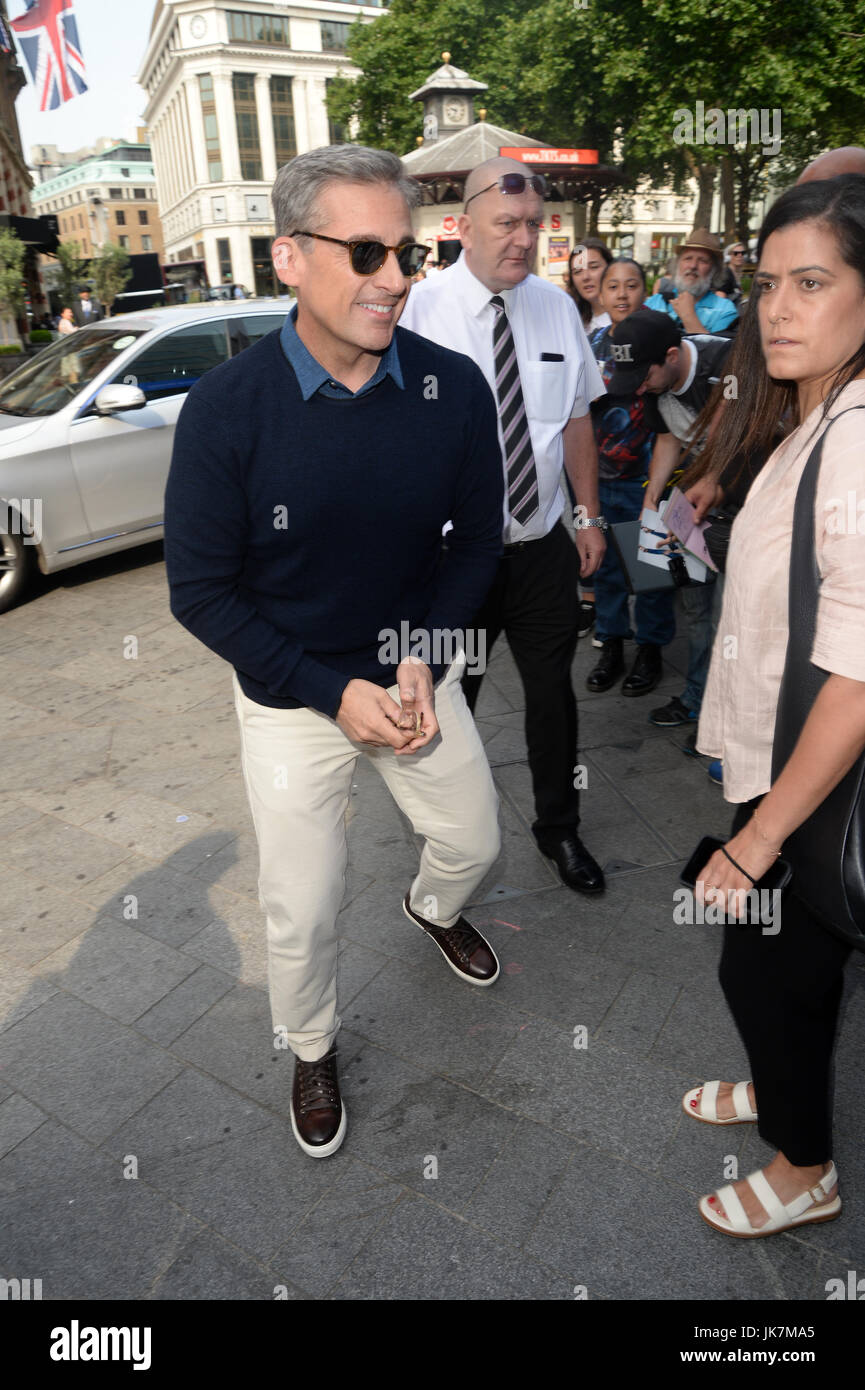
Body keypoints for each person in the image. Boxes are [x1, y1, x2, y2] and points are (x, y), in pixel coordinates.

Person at [164, 145, 506, 1160]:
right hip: (288, 693)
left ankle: (430, 907)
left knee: (478, 843)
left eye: (407, 251)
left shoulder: (451, 387)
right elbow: (201, 593)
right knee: (301, 909)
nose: (395, 278)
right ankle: (311, 1044)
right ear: (289, 259)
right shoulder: (226, 410)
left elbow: (477, 543)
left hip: (411, 674)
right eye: (365, 252)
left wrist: (425, 654)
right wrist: (327, 689)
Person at [683, 175, 865, 1238]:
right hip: (776, 755)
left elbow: (857, 671)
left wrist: (756, 838)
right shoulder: (817, 409)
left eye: (814, 282)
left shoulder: (856, 433)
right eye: (768, 285)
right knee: (773, 970)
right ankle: (776, 1083)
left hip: (810, 780)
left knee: (772, 963)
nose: (780, 308)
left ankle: (804, 1168)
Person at [400, 155, 609, 896]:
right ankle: (441, 829)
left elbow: (576, 418)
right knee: (453, 694)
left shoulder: (555, 308)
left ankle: (559, 828)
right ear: (461, 226)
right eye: (506, 225)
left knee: (552, 694)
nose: (523, 240)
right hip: (455, 559)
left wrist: (586, 515)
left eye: (533, 225)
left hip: (541, 546)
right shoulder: (416, 312)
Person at [603, 307, 733, 731]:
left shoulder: (727, 366)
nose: (639, 388)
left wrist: (712, 480)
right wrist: (651, 501)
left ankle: (729, 715)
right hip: (693, 506)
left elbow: (736, 438)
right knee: (696, 609)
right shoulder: (656, 381)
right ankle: (697, 698)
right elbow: (667, 437)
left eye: (645, 375)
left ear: (673, 356)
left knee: (731, 616)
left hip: (745, 508)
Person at [584, 260, 676, 697]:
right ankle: (611, 645)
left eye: (632, 285)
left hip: (648, 481)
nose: (622, 294)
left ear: (646, 291)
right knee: (606, 571)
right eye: (612, 286)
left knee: (652, 571)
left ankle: (650, 649)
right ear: (599, 294)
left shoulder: (663, 339)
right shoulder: (589, 346)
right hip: (598, 483)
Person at [645, 230, 738, 335]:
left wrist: (688, 315)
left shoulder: (724, 310)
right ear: (677, 265)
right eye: (688, 258)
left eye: (702, 261)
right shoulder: (655, 302)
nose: (693, 266)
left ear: (714, 270)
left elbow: (718, 350)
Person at [563, 238, 613, 334]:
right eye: (577, 272)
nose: (585, 277)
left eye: (593, 267)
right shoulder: (570, 321)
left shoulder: (627, 318)